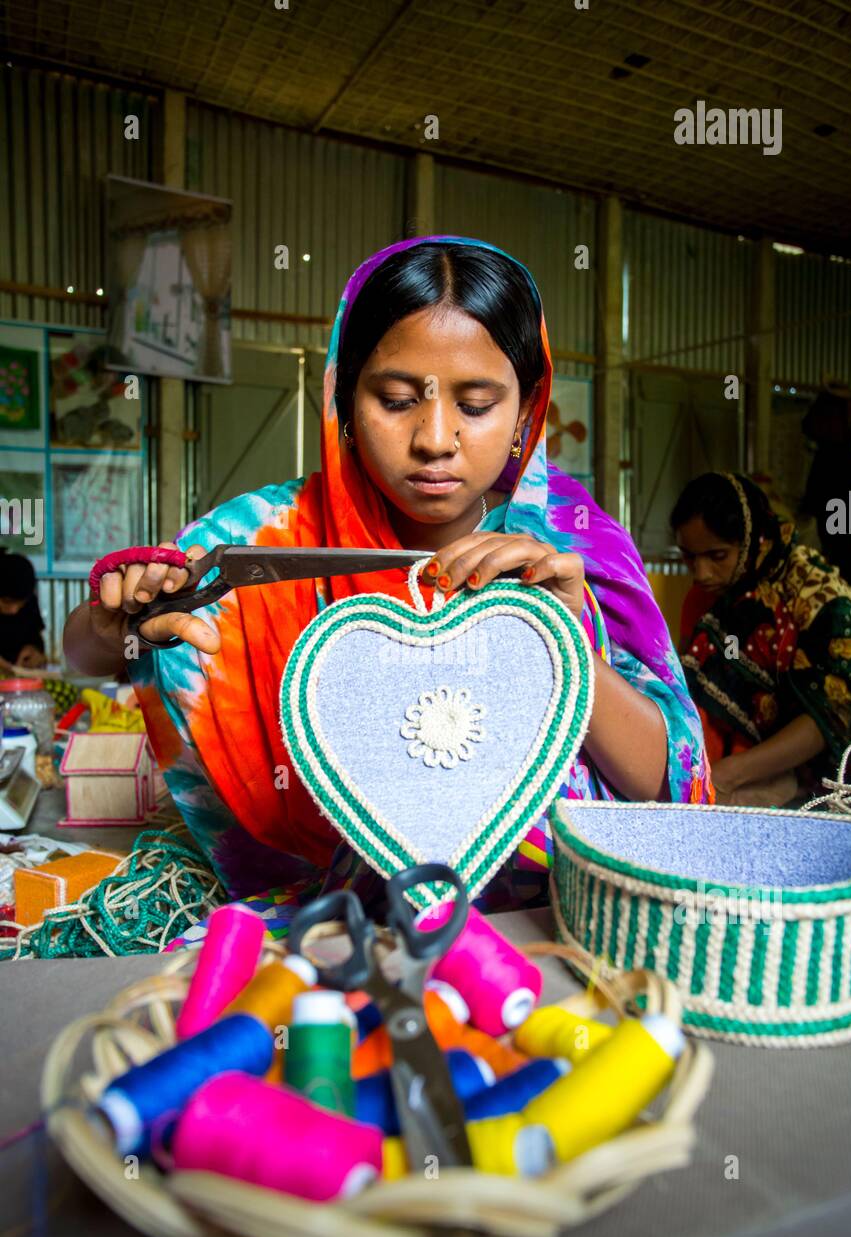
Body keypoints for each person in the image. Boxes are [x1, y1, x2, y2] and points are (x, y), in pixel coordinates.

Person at [65, 236, 711, 909]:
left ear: (526, 410)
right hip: (335, 919)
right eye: (398, 400)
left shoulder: (577, 545)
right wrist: (115, 625)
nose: (435, 438)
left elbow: (671, 791)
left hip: (549, 925)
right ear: (343, 401)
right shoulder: (263, 543)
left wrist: (564, 645)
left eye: (477, 404)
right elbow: (82, 653)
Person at [672, 470, 851, 806]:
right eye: (689, 557)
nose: (700, 573)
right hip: (732, 765)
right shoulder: (717, 596)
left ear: (754, 540)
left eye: (717, 556)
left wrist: (730, 774)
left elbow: (826, 722)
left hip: (822, 778)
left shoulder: (823, 602)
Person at [0, 548, 47, 670]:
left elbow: (35, 637)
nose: (14, 610)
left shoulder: (29, 602)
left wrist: (35, 651)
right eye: (7, 602)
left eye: (21, 604)